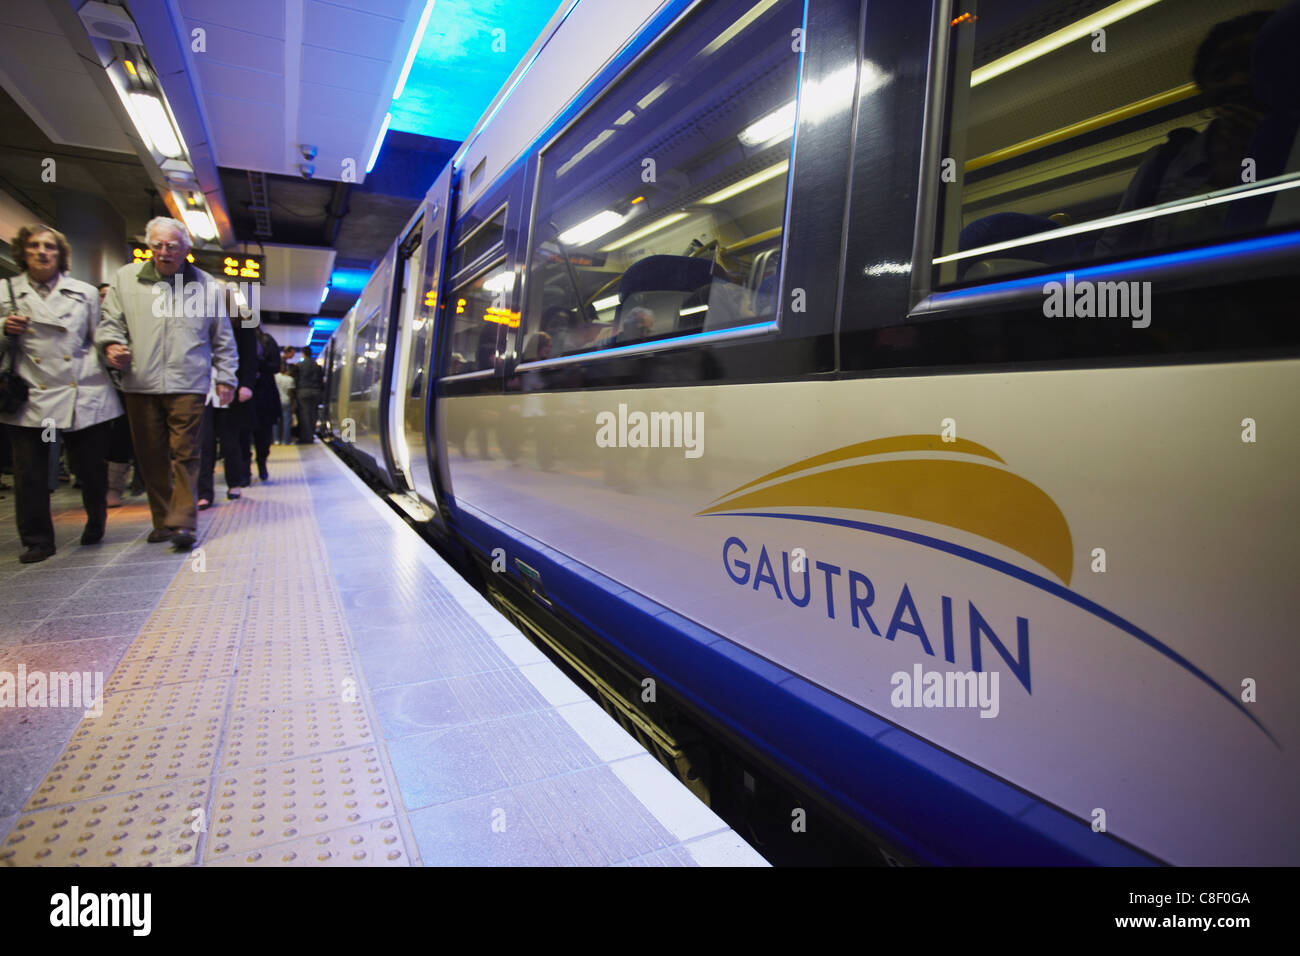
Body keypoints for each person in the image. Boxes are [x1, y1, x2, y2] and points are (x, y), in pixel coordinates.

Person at [96, 217, 237, 550]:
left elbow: (223, 338)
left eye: (171, 246)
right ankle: (163, 521)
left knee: (186, 453)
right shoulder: (125, 280)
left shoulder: (206, 287)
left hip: (188, 382)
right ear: (148, 247)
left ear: (186, 249)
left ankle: (183, 523)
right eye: (157, 245)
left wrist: (227, 377)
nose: (163, 252)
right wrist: (111, 345)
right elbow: (110, 323)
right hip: (140, 383)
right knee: (151, 458)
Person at [1, 224, 122, 563]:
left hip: (82, 389)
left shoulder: (83, 292)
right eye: (35, 246)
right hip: (31, 391)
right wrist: (2, 328)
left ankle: (96, 519)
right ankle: (37, 540)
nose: (42, 252)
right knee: (30, 474)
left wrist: (113, 350)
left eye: (50, 247)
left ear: (60, 254)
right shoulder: (5, 292)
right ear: (23, 251)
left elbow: (100, 335)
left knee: (90, 469)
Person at [250, 326, 281, 477]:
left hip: (264, 394)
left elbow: (276, 366)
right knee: (242, 433)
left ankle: (261, 461)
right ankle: (244, 469)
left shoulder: (267, 341)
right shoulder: (234, 338)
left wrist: (256, 363)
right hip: (244, 393)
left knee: (263, 433)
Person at [294, 346, 324, 443]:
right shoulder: (317, 366)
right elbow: (321, 380)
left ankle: (306, 437)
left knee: (304, 414)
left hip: (303, 391)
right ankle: (311, 434)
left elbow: (296, 379)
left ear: (303, 353)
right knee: (313, 413)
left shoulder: (299, 365)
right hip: (316, 391)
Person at [273, 358, 294, 444]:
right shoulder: (289, 379)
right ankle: (285, 440)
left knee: (275, 422)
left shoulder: (274, 377)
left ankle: (276, 440)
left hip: (276, 401)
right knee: (286, 422)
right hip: (286, 401)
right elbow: (290, 393)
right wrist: (293, 404)